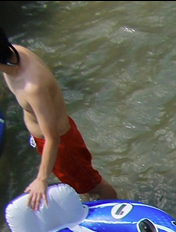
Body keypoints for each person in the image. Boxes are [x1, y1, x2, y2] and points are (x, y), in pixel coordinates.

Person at [0, 28, 117, 210]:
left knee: (95, 185)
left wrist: (41, 179)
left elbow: (52, 138)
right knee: (82, 184)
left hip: (61, 146)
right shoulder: (14, 52)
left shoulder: (33, 87)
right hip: (46, 141)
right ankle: (91, 200)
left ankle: (115, 210)